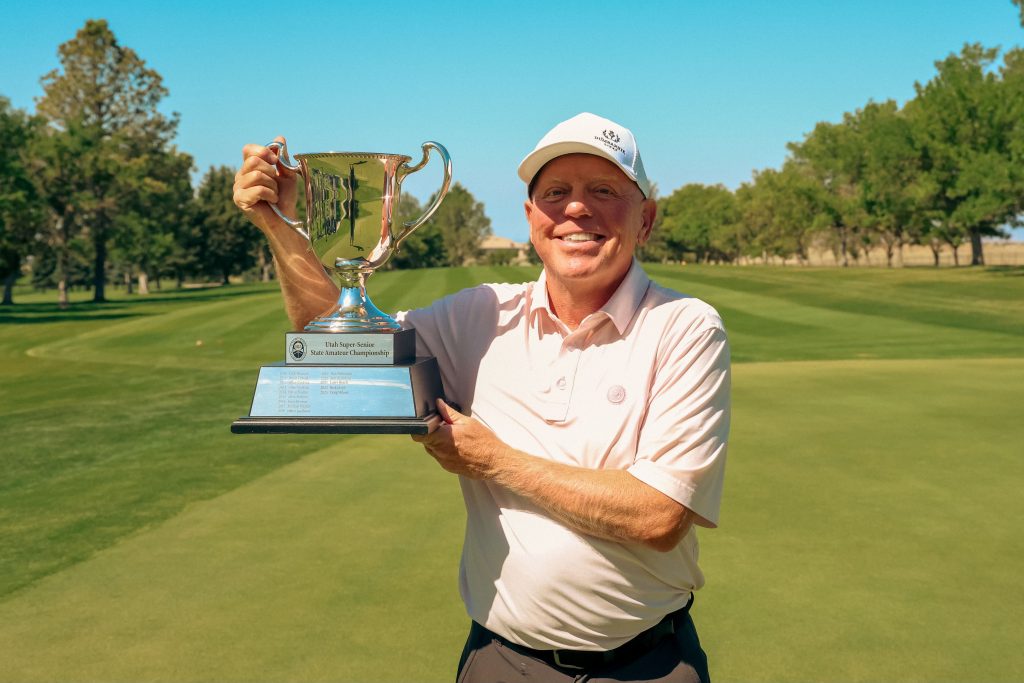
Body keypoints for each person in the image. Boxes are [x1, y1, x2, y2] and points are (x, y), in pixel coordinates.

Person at [233, 112, 730, 683]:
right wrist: (281, 224)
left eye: (604, 191)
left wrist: (496, 461)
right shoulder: (482, 315)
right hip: (501, 661)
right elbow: (341, 345)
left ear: (646, 220)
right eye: (556, 193)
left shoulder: (685, 327)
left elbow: (659, 515)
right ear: (530, 219)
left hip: (649, 666)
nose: (576, 209)